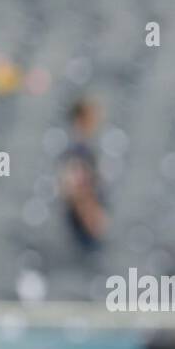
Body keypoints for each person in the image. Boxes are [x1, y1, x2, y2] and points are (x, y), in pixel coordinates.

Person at [58, 97, 107, 253]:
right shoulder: (78, 152)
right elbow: (78, 191)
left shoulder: (81, 149)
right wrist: (92, 218)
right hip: (85, 228)